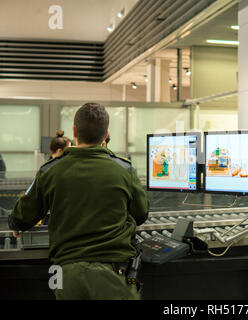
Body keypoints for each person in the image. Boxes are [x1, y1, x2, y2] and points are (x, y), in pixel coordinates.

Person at [8, 102, 149, 300]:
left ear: (74, 131)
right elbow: (141, 214)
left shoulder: (50, 171)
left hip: (66, 274)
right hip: (115, 273)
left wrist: (16, 223)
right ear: (106, 133)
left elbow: (23, 216)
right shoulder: (125, 170)